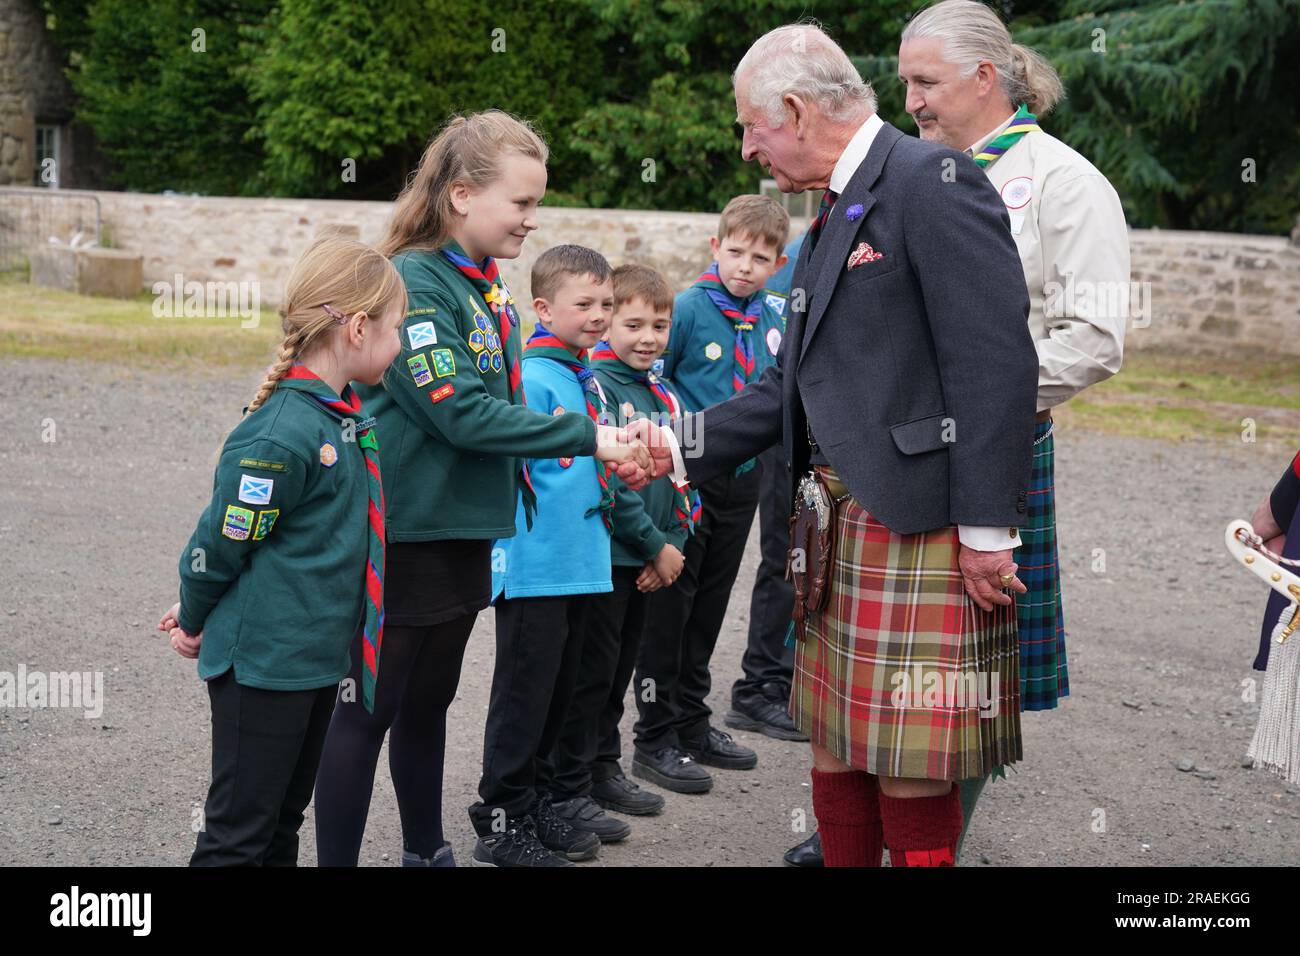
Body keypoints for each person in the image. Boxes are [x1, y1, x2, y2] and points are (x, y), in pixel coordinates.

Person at [632, 23, 1038, 867]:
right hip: (834, 529)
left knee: (912, 766)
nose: (747, 149)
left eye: (751, 126)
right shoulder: (832, 214)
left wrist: (986, 532)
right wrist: (677, 439)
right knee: (836, 741)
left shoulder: (933, 181)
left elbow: (995, 363)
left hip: (919, 523)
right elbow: (788, 386)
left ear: (793, 109)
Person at [312, 111, 650, 869]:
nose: (533, 220)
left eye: (536, 203)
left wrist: (612, 450)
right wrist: (587, 436)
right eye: (522, 203)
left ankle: (427, 852)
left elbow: (501, 404)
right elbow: (458, 412)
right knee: (368, 714)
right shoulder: (412, 279)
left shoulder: (483, 283)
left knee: (427, 708)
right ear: (462, 194)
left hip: (465, 528)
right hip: (407, 532)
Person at [898, 0, 1130, 856]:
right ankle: (891, 819)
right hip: (892, 447)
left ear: (986, 78)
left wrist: (981, 396)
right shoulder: (910, 172)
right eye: (907, 84)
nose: (913, 101)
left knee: (975, 666)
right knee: (898, 652)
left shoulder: (1070, 185)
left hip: (992, 446)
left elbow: (1096, 339)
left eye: (926, 82)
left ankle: (937, 834)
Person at [158, 236, 406, 866]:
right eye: (397, 327)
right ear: (357, 326)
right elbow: (220, 542)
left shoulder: (340, 416)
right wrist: (193, 616)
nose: (401, 344)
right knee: (238, 835)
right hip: (266, 665)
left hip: (314, 660)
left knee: (281, 825)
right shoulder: (282, 433)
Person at [467, 244, 622, 866]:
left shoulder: (584, 375)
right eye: (583, 303)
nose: (598, 315)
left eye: (606, 303)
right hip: (536, 567)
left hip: (583, 562)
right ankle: (498, 819)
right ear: (541, 307)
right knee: (523, 699)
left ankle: (535, 808)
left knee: (562, 694)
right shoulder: (532, 376)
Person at [630, 194, 790, 795]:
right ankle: (655, 736)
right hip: (684, 476)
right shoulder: (690, 309)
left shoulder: (774, 315)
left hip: (744, 475)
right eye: (737, 252)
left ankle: (693, 720)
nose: (746, 266)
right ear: (714, 247)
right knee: (673, 601)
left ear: (777, 264)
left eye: (761, 257)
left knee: (712, 601)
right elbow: (652, 380)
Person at [548, 263, 698, 839]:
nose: (647, 338)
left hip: (653, 559)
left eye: (659, 326)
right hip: (613, 556)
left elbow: (682, 478)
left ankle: (604, 766)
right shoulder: (599, 387)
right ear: (608, 322)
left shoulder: (665, 392)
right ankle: (574, 777)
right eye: (633, 323)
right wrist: (653, 544)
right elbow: (608, 482)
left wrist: (674, 544)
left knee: (619, 674)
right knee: (592, 674)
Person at [726, 231, 809, 744]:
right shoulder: (807, 249)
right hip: (782, 426)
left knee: (801, 555)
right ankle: (760, 686)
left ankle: (785, 674)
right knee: (787, 557)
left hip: (811, 422)